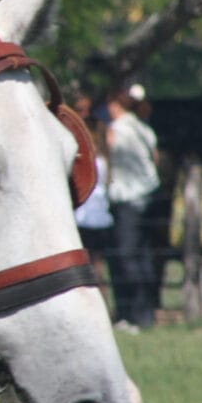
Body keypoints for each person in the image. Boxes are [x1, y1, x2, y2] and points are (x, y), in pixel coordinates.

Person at [104, 82, 161, 332]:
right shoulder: (144, 128)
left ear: (114, 104)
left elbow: (104, 156)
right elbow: (155, 158)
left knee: (125, 256)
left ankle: (131, 314)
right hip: (148, 196)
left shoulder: (116, 129)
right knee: (143, 255)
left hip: (127, 199)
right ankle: (147, 313)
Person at [71, 92, 114, 311]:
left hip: (85, 216)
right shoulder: (105, 158)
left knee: (88, 266)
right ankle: (103, 308)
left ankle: (93, 308)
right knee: (97, 265)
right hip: (100, 216)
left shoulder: (89, 158)